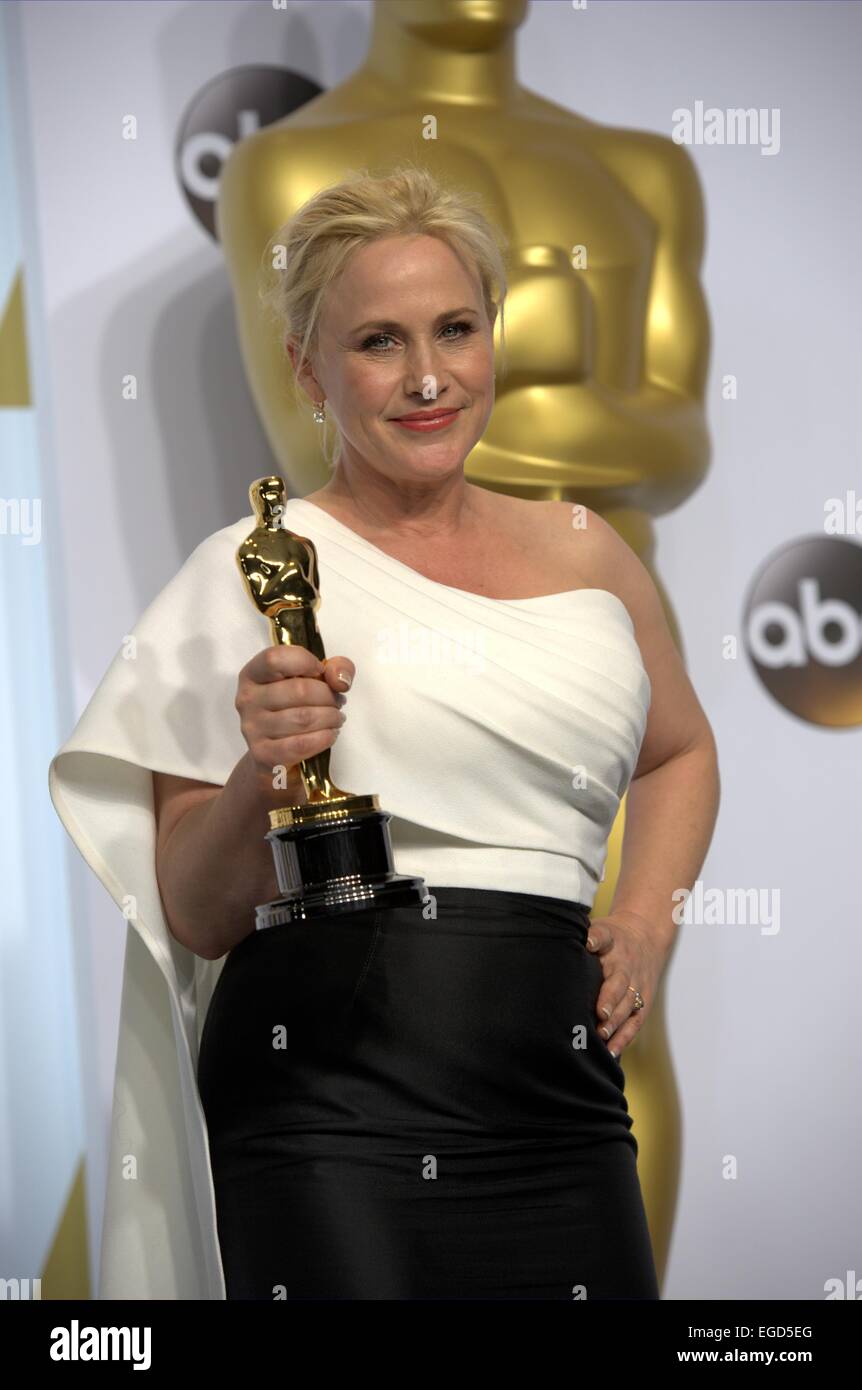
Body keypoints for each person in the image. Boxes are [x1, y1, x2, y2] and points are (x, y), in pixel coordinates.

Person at [50, 164, 720, 1300]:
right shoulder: (243, 575)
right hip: (327, 1109)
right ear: (309, 371)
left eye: (454, 329)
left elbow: (679, 752)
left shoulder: (586, 551)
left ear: (492, 338)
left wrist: (647, 918)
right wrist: (260, 774)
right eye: (378, 342)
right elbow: (198, 914)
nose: (426, 378)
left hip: (560, 1102)